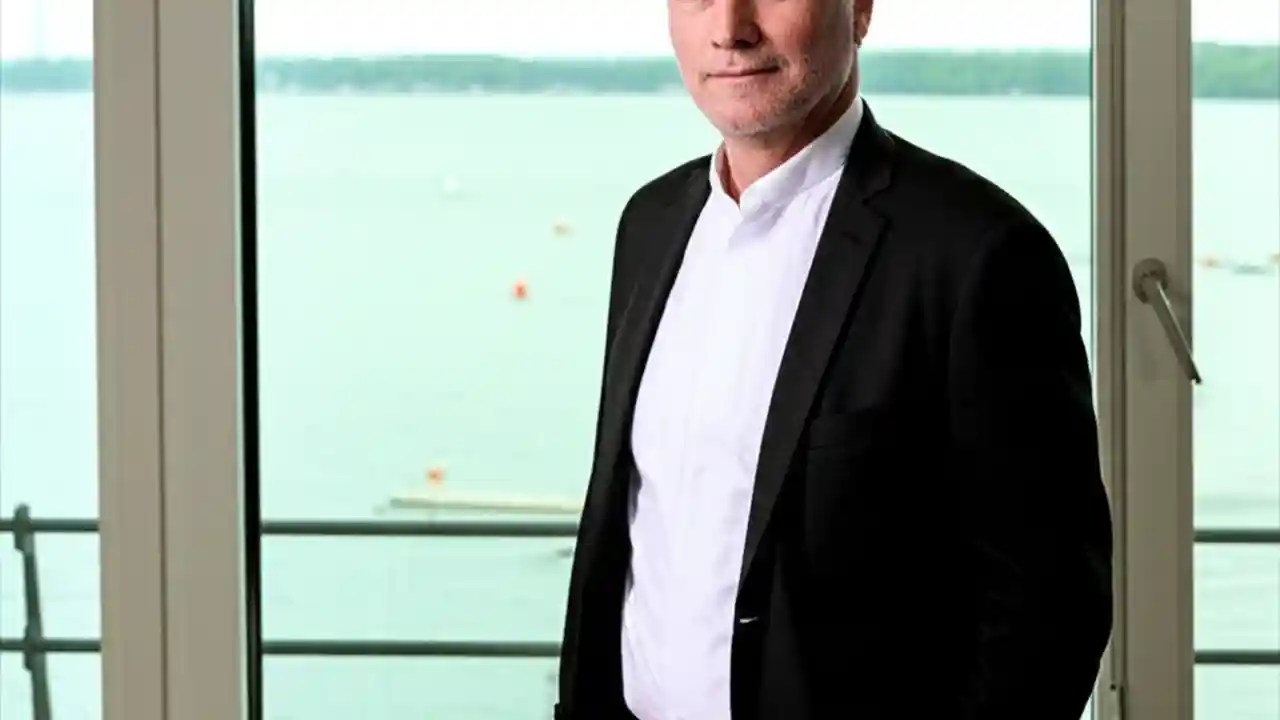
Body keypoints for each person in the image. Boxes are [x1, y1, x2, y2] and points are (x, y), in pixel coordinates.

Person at [555, 1, 1113, 718]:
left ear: (860, 10)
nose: (730, 27)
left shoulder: (977, 253)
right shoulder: (650, 223)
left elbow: (1049, 607)